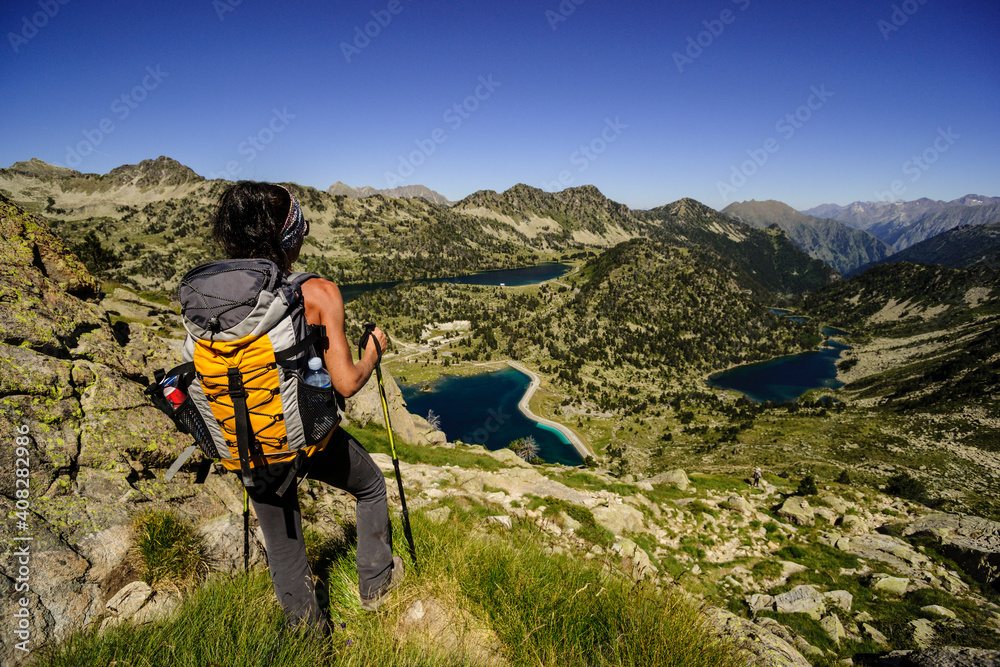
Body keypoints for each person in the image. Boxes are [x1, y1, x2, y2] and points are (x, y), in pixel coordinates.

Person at [211, 180, 402, 628]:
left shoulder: (208, 297)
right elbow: (348, 382)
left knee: (283, 544)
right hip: (306, 438)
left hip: (248, 443)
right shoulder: (316, 292)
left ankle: (307, 640)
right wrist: (374, 347)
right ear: (289, 235)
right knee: (370, 486)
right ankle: (376, 590)